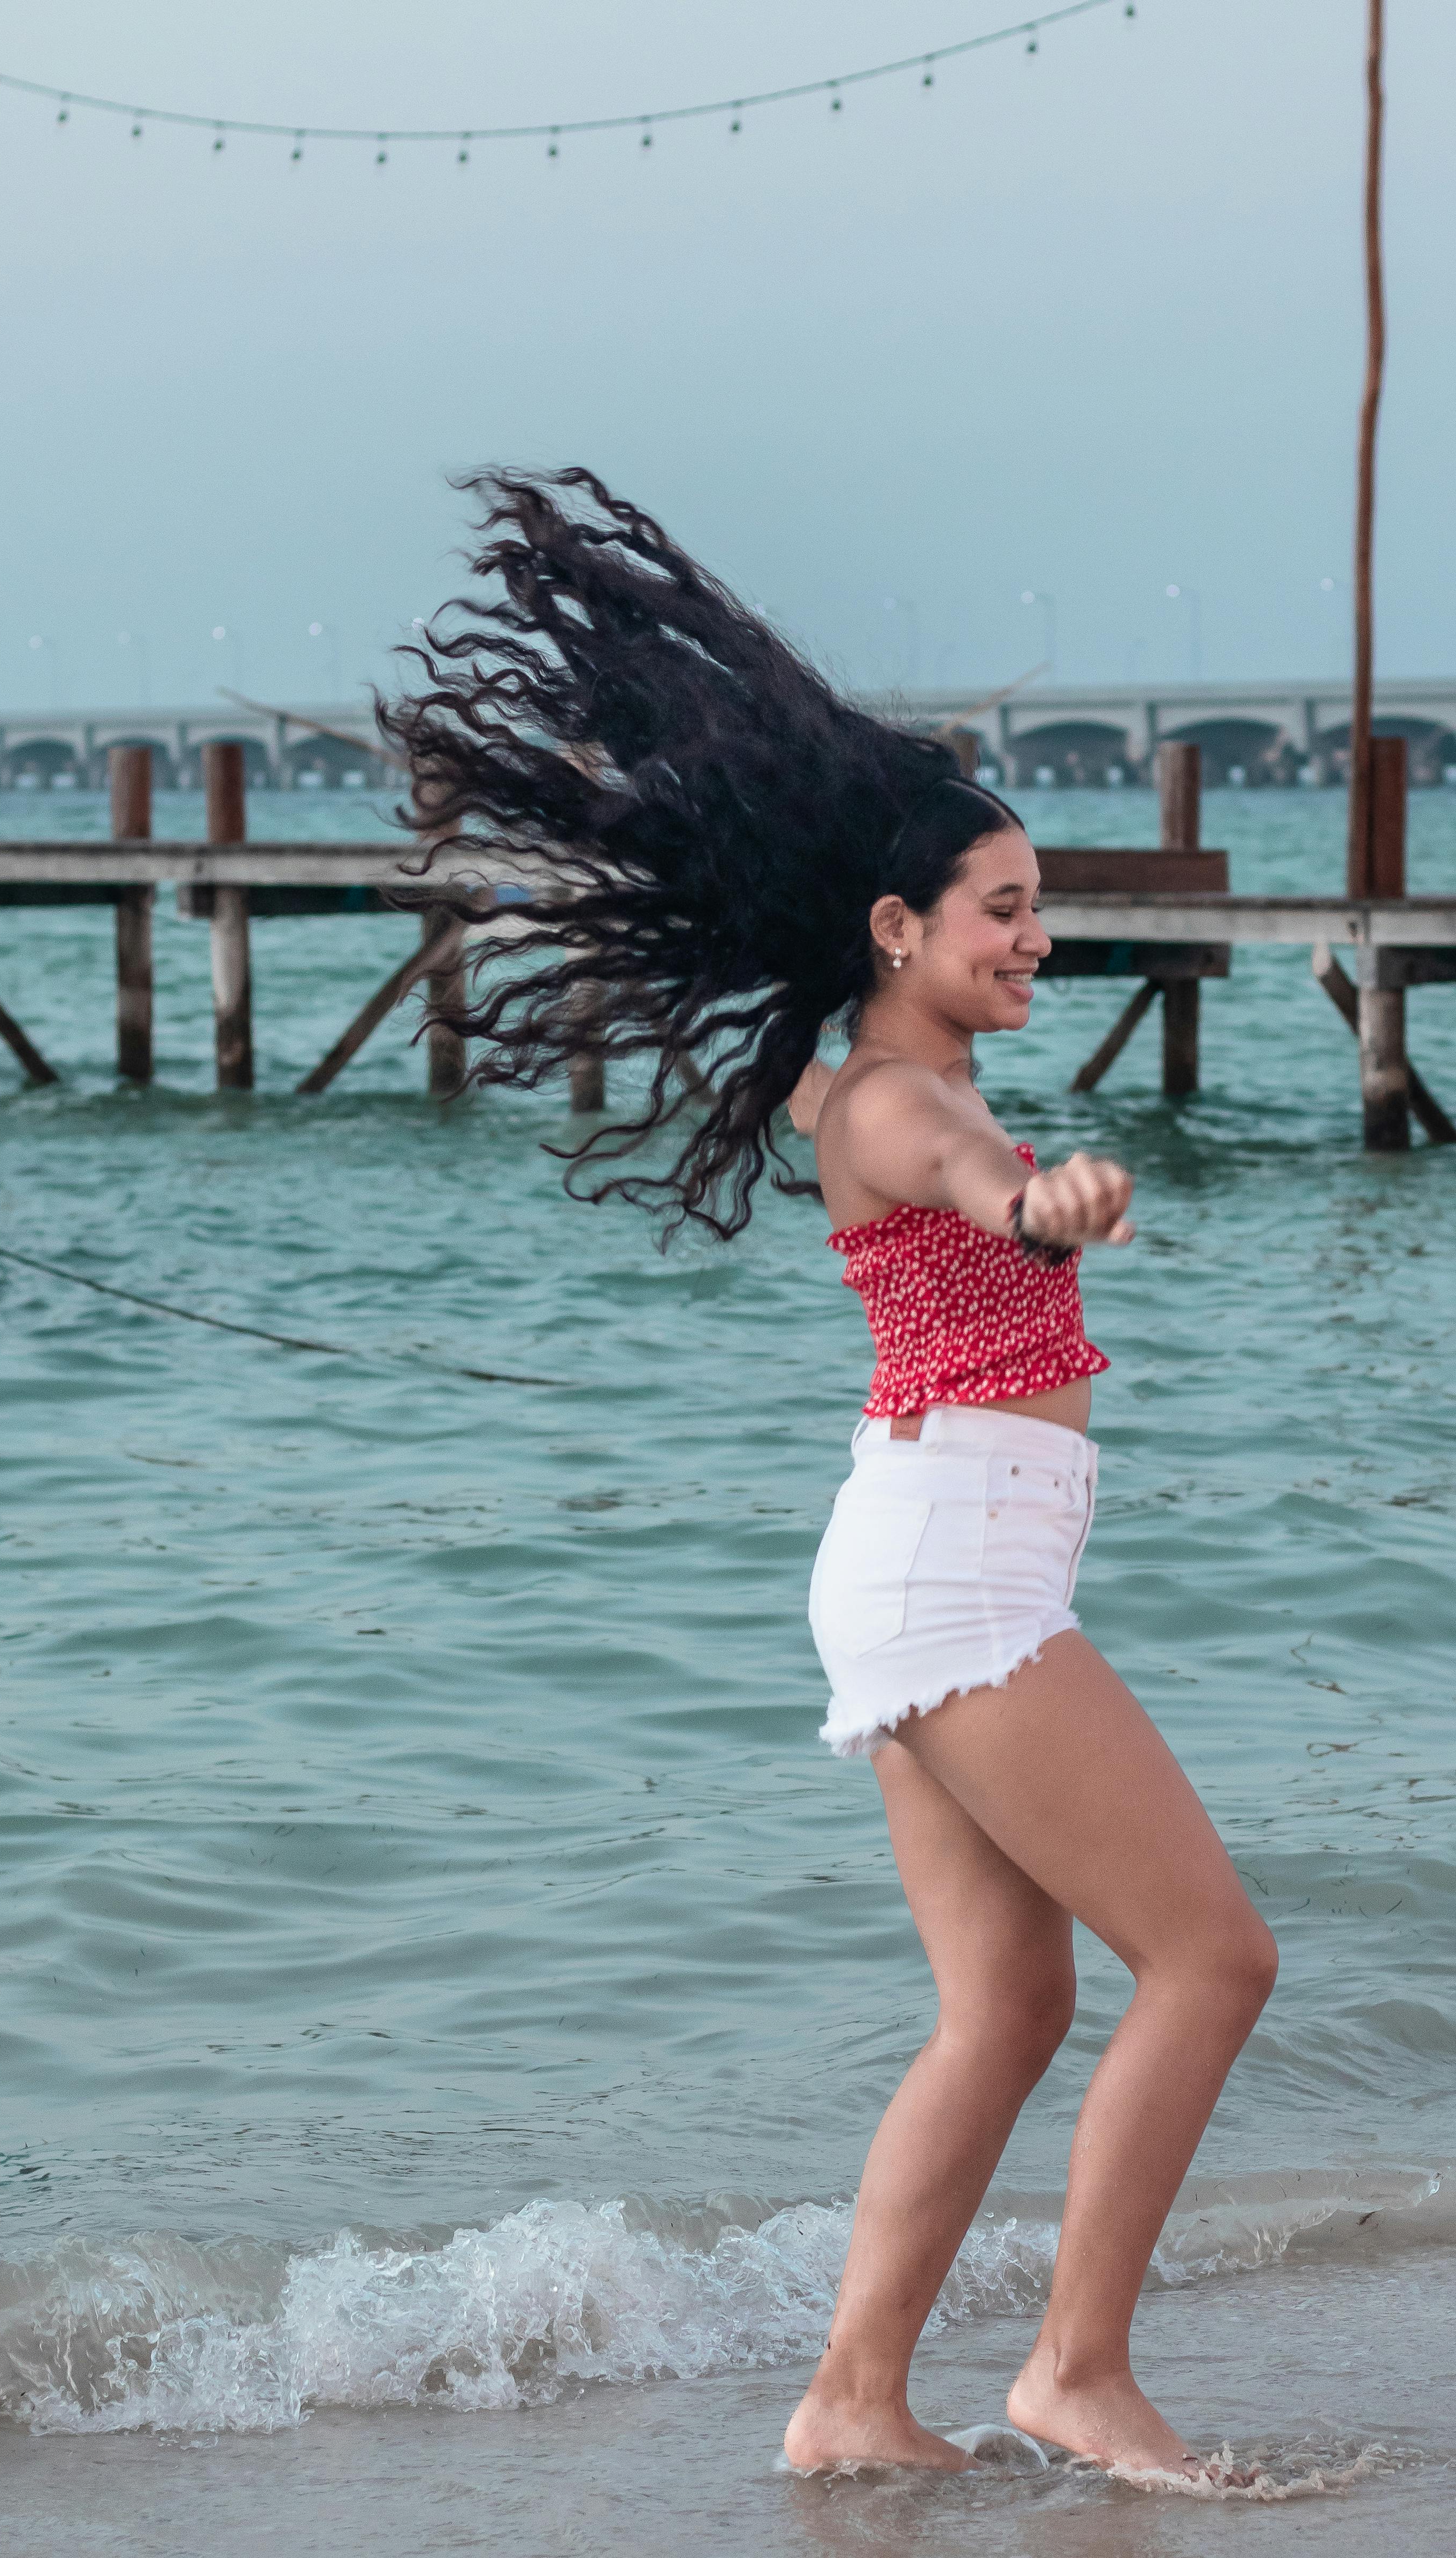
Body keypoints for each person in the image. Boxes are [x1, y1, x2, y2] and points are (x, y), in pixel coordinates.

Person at [386, 468, 1279, 2486]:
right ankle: (1073, 2371)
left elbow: (980, 1175)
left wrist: (1027, 1185)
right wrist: (1048, 1200)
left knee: (1010, 2007)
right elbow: (989, 1191)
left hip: (922, 1556)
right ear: (898, 924)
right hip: (953, 1575)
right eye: (1003, 908)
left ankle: (852, 2405)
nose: (1038, 937)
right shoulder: (894, 1099)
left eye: (1040, 907)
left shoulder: (881, 1074)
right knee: (1214, 1960)